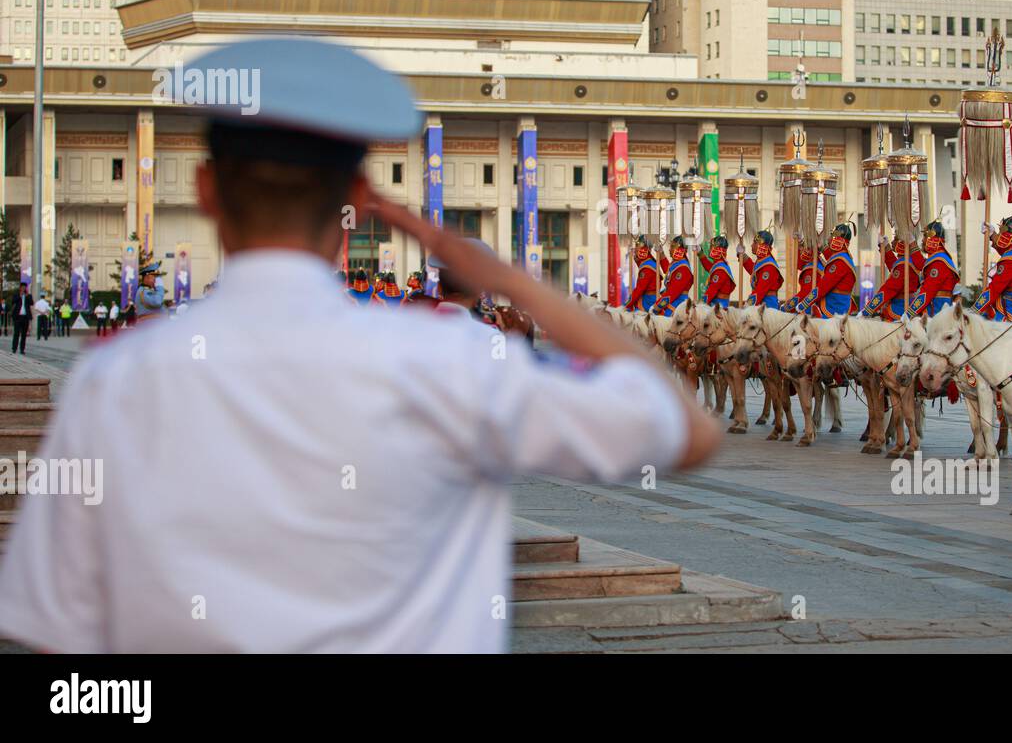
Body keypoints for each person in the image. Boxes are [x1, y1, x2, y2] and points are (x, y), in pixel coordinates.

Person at [0, 36, 719, 654]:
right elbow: (684, 430)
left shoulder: (114, 383)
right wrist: (506, 277)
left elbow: (57, 629)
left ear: (208, 191)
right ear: (356, 201)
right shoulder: (447, 359)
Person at [863, 234, 924, 320]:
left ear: (902, 243)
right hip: (907, 303)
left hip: (900, 306)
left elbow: (888, 289)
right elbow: (894, 265)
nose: (892, 241)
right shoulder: (908, 261)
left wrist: (868, 309)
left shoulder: (904, 264)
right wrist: (886, 247)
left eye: (895, 238)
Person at [800, 223, 856, 316]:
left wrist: (804, 304)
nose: (828, 239)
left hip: (834, 308)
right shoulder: (840, 256)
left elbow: (823, 287)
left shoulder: (840, 261)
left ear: (837, 240)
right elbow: (829, 255)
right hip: (832, 304)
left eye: (831, 236)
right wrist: (821, 247)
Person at [909, 220, 960, 318]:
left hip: (936, 313)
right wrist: (912, 244)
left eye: (925, 237)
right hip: (934, 310)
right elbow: (922, 265)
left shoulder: (939, 262)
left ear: (933, 239)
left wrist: (909, 314)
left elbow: (927, 293)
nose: (923, 241)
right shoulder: (936, 259)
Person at [738, 229, 782, 308]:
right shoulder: (762, 261)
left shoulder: (769, 266)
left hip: (768, 307)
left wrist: (746, 307)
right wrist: (742, 256)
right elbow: (755, 272)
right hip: (760, 305)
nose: (751, 245)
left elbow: (760, 291)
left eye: (755, 243)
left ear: (763, 246)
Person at [652, 236, 695, 315]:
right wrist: (661, 253)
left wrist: (657, 306)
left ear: (679, 249)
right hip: (673, 299)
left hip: (678, 301)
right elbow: (668, 271)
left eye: (672, 246)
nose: (669, 249)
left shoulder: (683, 268)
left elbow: (672, 292)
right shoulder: (676, 263)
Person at [623, 235, 660, 312]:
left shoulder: (647, 267)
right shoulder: (649, 262)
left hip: (648, 301)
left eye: (637, 246)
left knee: (631, 314)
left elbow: (639, 290)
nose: (635, 249)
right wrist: (636, 259)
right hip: (648, 297)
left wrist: (627, 304)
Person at [700, 235, 736, 309]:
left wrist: (701, 304)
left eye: (711, 247)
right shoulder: (718, 265)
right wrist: (700, 253)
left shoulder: (721, 269)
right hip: (714, 304)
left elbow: (712, 290)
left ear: (717, 249)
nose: (709, 249)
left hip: (719, 307)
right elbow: (709, 267)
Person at [9, 283, 33, 355]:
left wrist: (27, 296)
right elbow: (13, 301)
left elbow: (31, 303)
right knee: (16, 333)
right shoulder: (16, 295)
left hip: (25, 317)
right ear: (20, 288)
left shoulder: (28, 295)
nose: (23, 288)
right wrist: (20, 296)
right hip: (18, 317)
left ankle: (22, 349)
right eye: (22, 287)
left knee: (24, 335)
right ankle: (14, 348)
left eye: (24, 287)